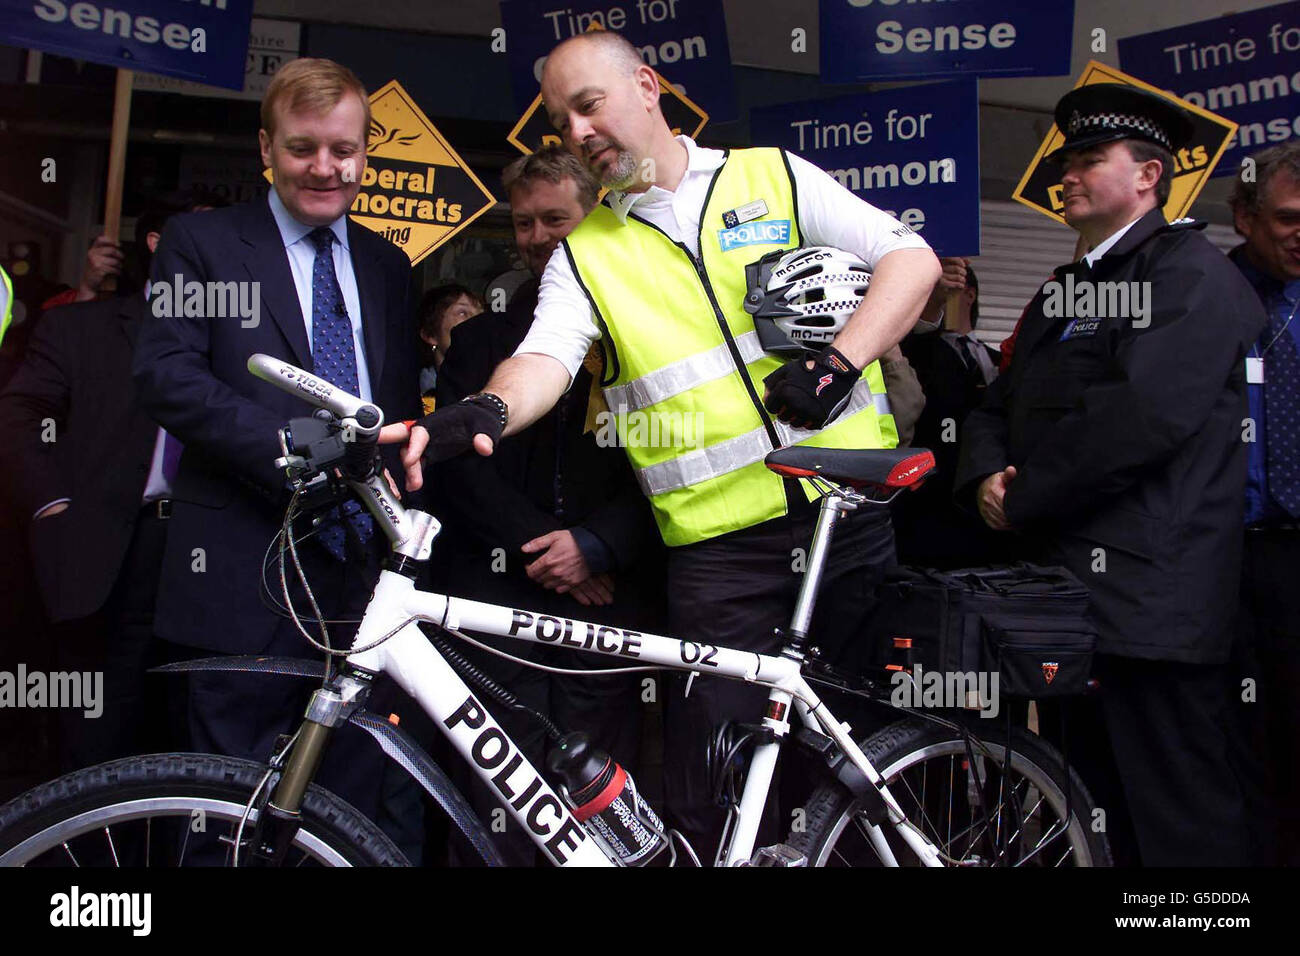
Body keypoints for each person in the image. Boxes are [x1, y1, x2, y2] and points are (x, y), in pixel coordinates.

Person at [393, 31, 940, 860]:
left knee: (855, 769)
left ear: (648, 87)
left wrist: (838, 362)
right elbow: (545, 358)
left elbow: (911, 259)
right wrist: (483, 413)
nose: (578, 131)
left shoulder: (774, 175)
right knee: (714, 785)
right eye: (561, 121)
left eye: (589, 105)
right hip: (719, 555)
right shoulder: (587, 252)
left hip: (845, 521)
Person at [955, 84, 1267, 866]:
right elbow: (996, 403)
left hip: (1152, 609)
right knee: (1086, 808)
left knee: (1175, 818)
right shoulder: (1066, 289)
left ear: (1149, 176)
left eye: (1090, 160)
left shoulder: (1190, 275)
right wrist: (985, 478)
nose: (1067, 175)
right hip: (1066, 603)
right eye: (1066, 162)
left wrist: (1022, 497)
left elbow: (1139, 418)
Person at [131, 57, 424, 861]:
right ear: (266, 148)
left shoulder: (389, 266)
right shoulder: (201, 243)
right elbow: (166, 376)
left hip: (360, 585)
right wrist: (298, 448)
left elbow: (391, 411)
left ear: (365, 153)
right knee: (222, 815)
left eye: (344, 149)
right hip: (239, 573)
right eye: (302, 148)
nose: (325, 167)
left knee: (345, 814)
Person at [430, 145, 666, 863]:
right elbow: (457, 466)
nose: (535, 238)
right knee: (493, 796)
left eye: (554, 220)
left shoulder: (652, 326)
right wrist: (547, 549)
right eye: (523, 223)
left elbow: (674, 454)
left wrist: (599, 545)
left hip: (610, 600)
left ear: (597, 213)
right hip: (496, 599)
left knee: (603, 797)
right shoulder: (478, 340)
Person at [0, 198, 216, 773]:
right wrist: (53, 503)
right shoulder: (81, 327)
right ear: (158, 245)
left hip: (208, 553)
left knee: (193, 730)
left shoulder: (241, 344)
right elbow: (18, 416)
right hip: (111, 549)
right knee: (97, 732)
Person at [1227, 140, 1300, 865]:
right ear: (1245, 217)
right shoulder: (1205, 297)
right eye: (1288, 218)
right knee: (1242, 738)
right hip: (1226, 557)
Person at [895, 259, 1011, 568]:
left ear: (969, 293)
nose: (942, 291)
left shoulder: (1000, 358)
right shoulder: (912, 350)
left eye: (951, 286)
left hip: (983, 500)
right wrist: (931, 299)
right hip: (926, 502)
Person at [417, 284, 484, 413]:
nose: (478, 320)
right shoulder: (414, 396)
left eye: (481, 313)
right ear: (430, 335)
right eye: (462, 313)